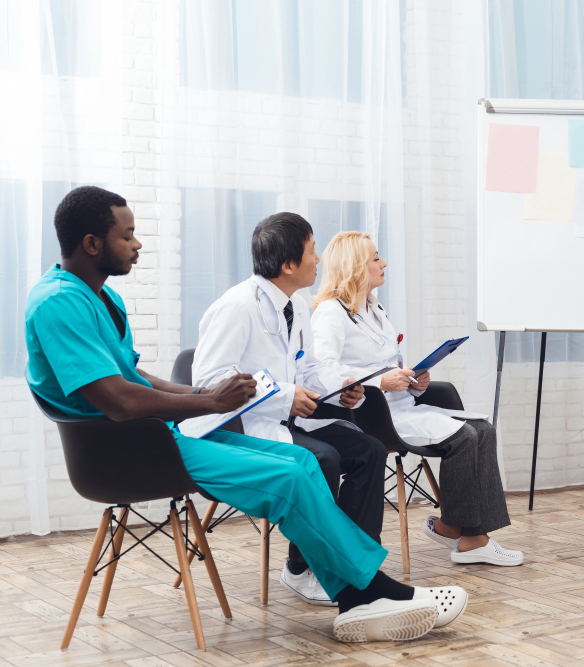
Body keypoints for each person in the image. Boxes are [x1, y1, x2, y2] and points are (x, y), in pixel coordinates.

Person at [25, 186, 468, 642]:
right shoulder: (58, 303)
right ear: (92, 243)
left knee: (302, 462)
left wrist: (203, 395)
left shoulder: (104, 299)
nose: (137, 244)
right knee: (293, 475)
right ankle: (369, 593)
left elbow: (133, 375)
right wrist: (209, 401)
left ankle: (359, 595)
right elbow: (118, 399)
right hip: (125, 451)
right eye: (127, 236)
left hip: (155, 435)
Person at [193, 212, 388, 607]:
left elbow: (309, 368)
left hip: (287, 419)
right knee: (322, 458)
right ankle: (301, 568)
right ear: (287, 265)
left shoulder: (296, 305)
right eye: (312, 251)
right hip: (245, 427)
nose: (318, 260)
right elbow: (210, 380)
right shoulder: (237, 306)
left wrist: (342, 387)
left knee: (370, 450)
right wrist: (284, 395)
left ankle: (357, 566)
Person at [311, 231, 522, 567]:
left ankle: (459, 530)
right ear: (355, 267)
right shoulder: (330, 313)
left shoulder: (375, 308)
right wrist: (382, 381)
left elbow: (387, 365)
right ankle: (467, 538)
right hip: (371, 418)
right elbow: (323, 369)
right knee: (465, 437)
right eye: (376, 258)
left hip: (401, 407)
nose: (383, 263)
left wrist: (414, 381)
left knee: (483, 430)